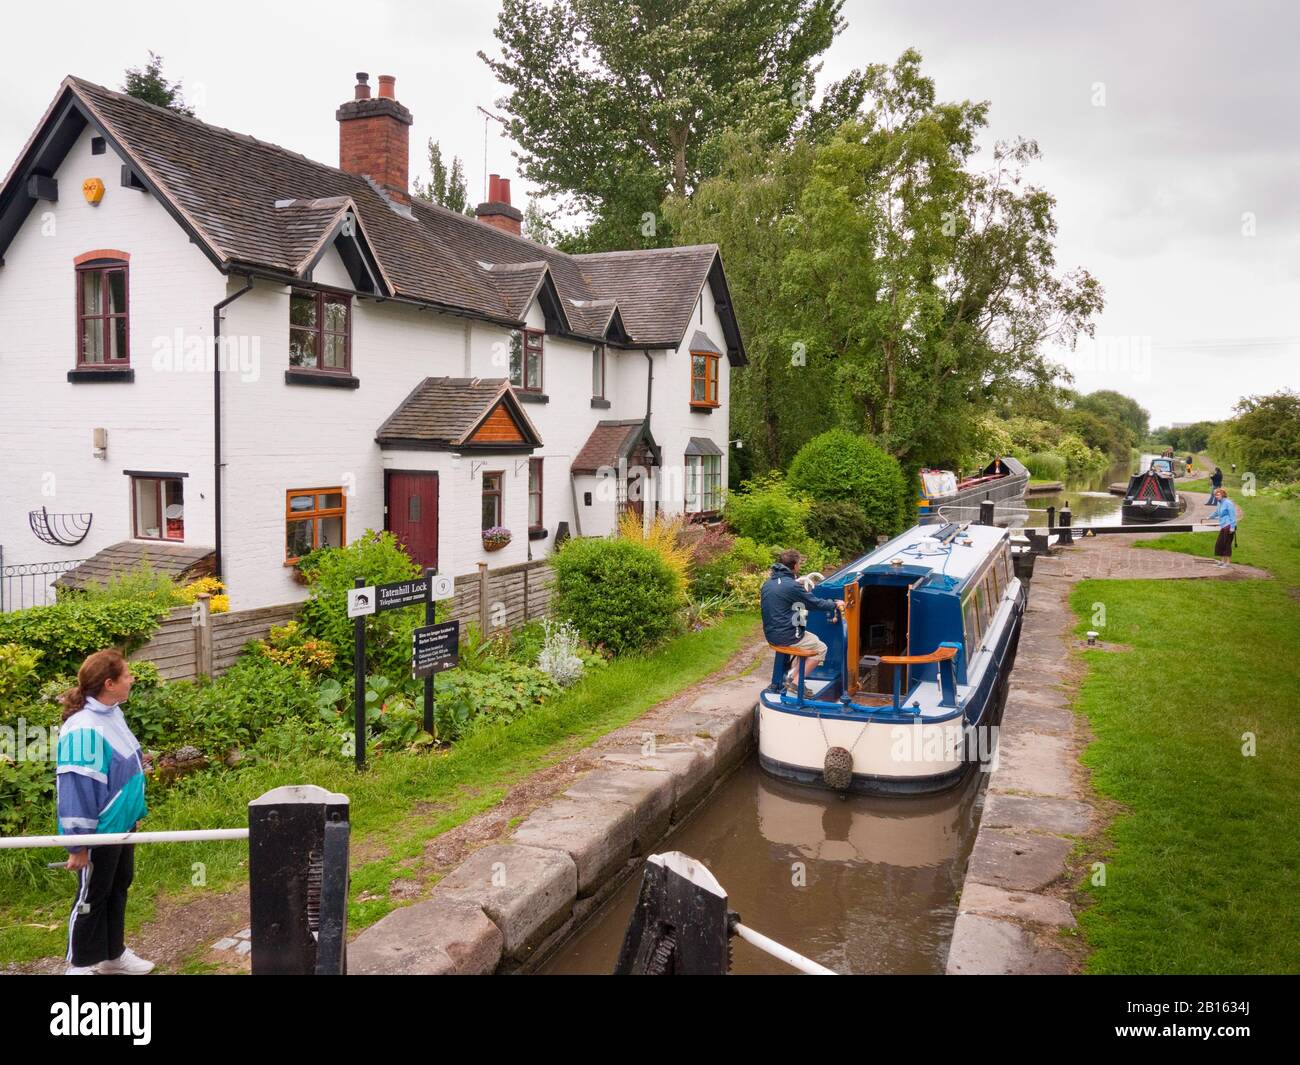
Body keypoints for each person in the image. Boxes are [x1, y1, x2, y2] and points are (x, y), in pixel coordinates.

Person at [57, 649, 154, 975]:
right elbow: (76, 789)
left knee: (118, 885)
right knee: (91, 896)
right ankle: (80, 965)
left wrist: (134, 809)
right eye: (127, 675)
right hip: (98, 833)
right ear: (109, 683)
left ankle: (112, 955)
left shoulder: (112, 713)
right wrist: (78, 845)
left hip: (122, 825)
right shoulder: (83, 727)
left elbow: (117, 768)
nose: (132, 679)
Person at [760, 549, 843, 691]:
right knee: (821, 648)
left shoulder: (768, 583)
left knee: (811, 639)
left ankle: (792, 675)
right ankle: (796, 683)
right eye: (799, 563)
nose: (799, 566)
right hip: (786, 636)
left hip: (771, 634)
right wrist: (835, 604)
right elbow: (815, 603)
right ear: (794, 565)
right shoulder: (791, 586)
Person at [1209, 487, 1241, 569]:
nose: (1216, 496)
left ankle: (1227, 563)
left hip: (1229, 525)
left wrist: (1232, 528)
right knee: (1220, 544)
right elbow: (1217, 512)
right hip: (1223, 525)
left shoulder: (1228, 503)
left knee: (1226, 544)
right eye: (1215, 495)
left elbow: (1233, 516)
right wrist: (1210, 517)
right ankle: (1222, 561)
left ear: (1223, 495)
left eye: (1218, 494)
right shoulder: (1220, 503)